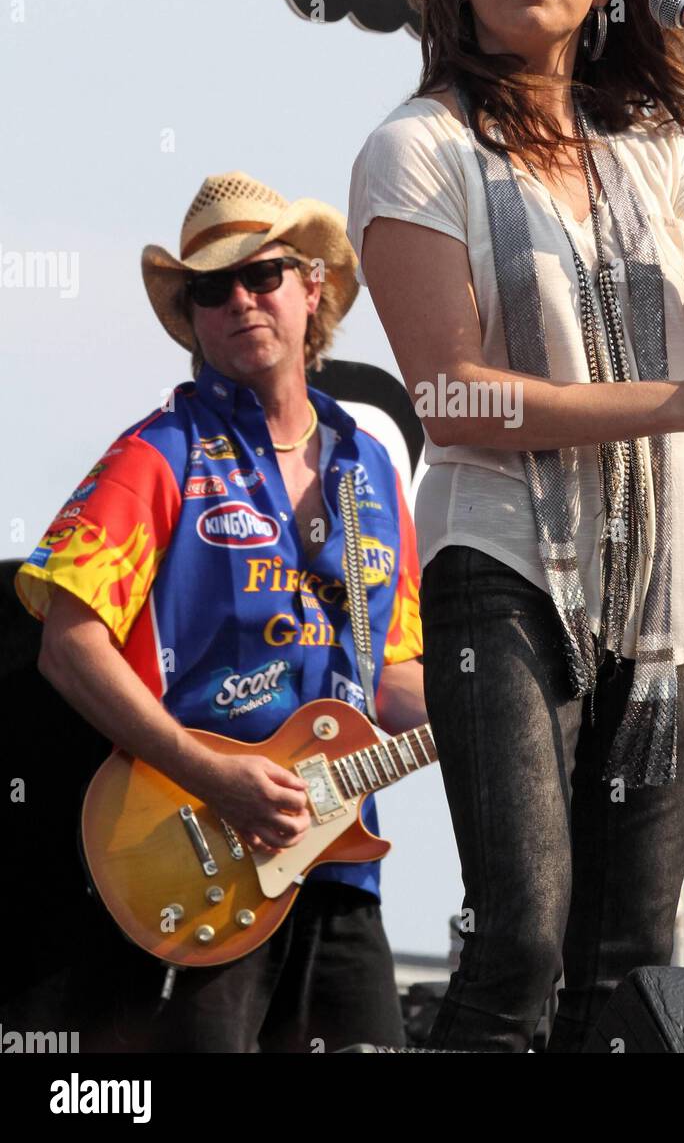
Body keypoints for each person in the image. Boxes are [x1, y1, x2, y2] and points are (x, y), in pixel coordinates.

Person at [345, 0, 684, 1052]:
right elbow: (449, 392)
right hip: (498, 574)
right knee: (523, 945)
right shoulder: (416, 149)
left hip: (665, 594)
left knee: (631, 971)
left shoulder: (657, 142)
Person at [16, 170, 426, 1053]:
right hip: (195, 849)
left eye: (262, 275)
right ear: (192, 318)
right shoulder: (157, 455)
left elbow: (392, 677)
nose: (240, 300)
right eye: (211, 287)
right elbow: (66, 647)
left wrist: (502, 707)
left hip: (339, 861)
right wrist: (212, 776)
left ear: (312, 288)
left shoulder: (372, 473)